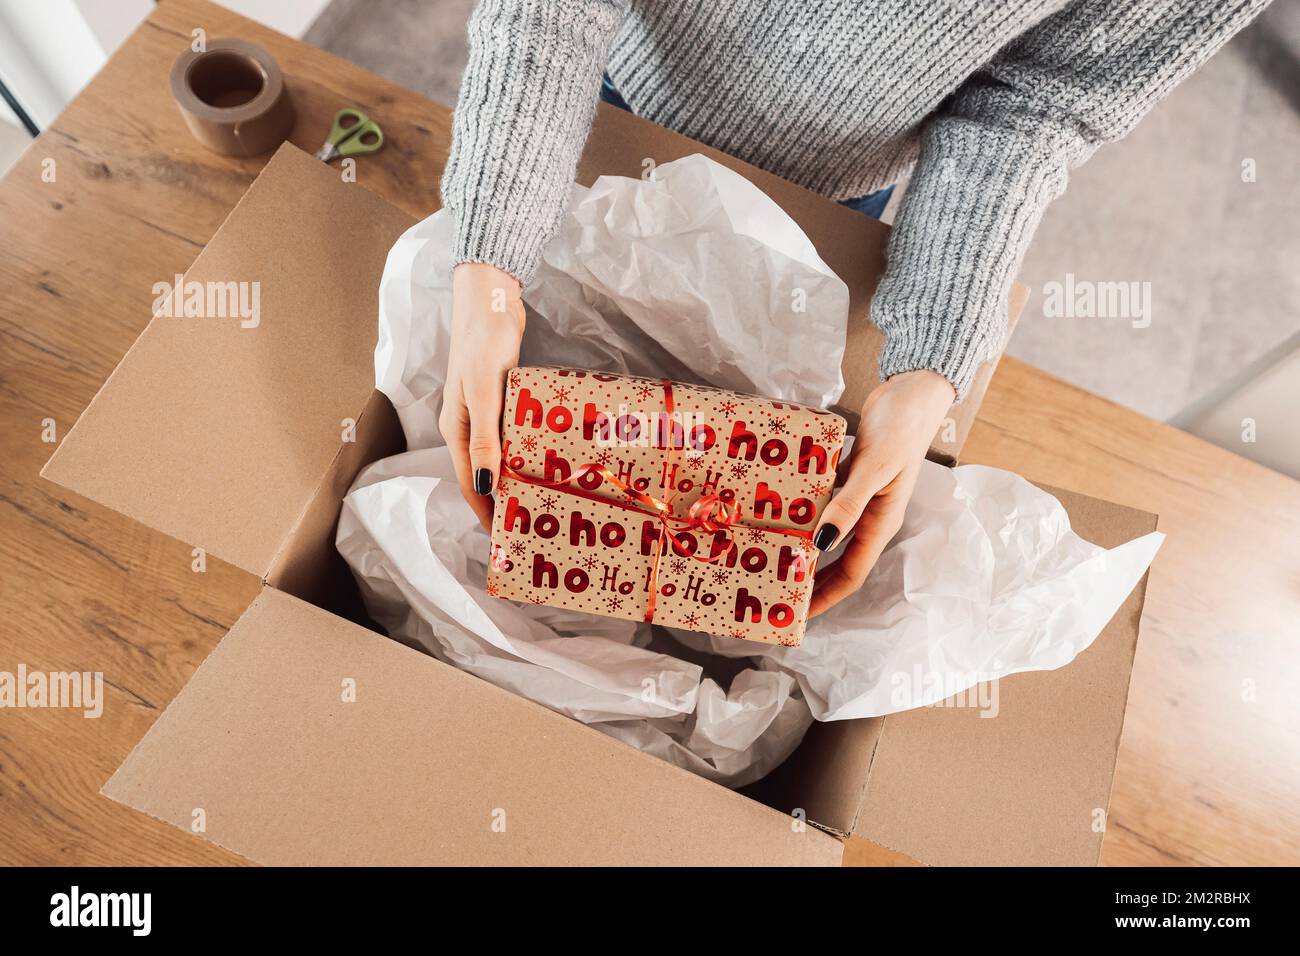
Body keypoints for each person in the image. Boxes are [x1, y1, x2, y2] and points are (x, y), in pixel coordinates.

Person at [438, 0, 1266, 615]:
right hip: (604, 74)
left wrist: (929, 368)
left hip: (833, 195)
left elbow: (1038, 101)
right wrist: (489, 267)